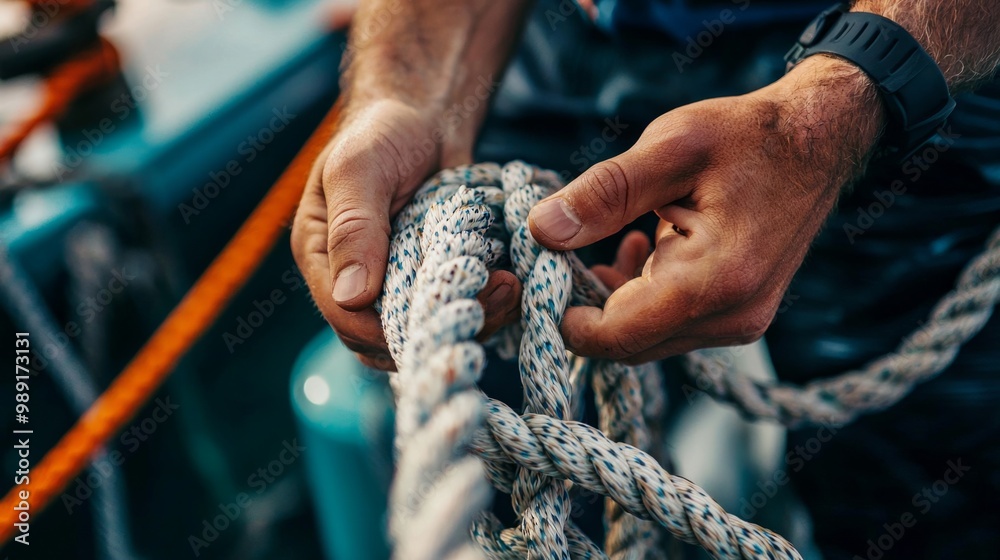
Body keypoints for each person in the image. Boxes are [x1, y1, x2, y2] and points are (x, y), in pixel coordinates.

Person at [291, 1, 1000, 557]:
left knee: (912, 497)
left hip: (897, 52)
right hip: (573, 32)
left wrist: (841, 102)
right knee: (496, 431)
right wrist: (406, 92)